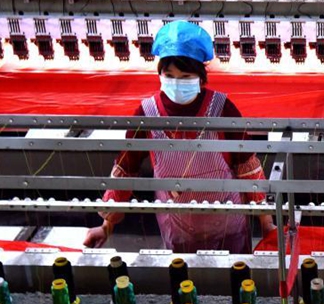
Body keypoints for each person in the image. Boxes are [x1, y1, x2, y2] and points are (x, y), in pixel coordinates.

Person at [84, 21, 275, 253]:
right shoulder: (148, 113)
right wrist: (106, 225)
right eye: (169, 75)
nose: (176, 82)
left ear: (201, 77)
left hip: (228, 221)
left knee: (236, 277)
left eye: (185, 76)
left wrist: (266, 222)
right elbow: (126, 167)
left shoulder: (221, 108)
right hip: (178, 225)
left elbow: (247, 166)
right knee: (184, 280)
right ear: (160, 74)